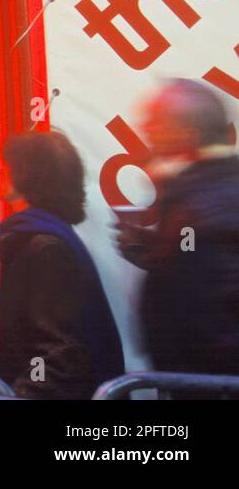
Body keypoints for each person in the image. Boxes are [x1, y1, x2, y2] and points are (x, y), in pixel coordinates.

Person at [117, 79, 239, 383]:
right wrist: (157, 252)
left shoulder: (202, 201)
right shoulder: (202, 192)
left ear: (188, 134)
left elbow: (209, 296)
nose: (145, 127)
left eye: (157, 120)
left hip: (210, 382)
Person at [0, 131, 124, 399]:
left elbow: (58, 352)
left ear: (29, 177)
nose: (0, 171)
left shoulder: (44, 248)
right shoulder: (48, 237)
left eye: (10, 166)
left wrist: (21, 394)